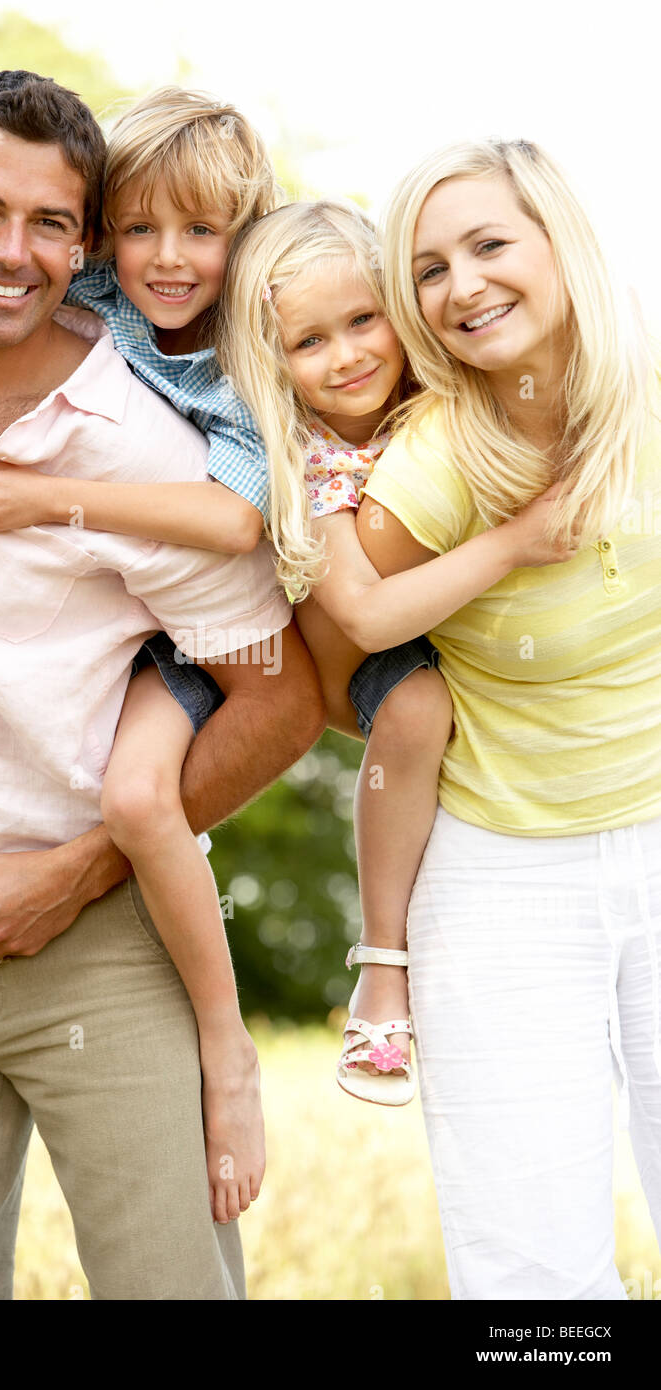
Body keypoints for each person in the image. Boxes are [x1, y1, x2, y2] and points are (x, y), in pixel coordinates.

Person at [0, 69, 325, 1300]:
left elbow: (281, 696)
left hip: (98, 941)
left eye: (50, 224)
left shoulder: (140, 437)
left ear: (79, 247)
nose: (11, 251)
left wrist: (87, 863)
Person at [358, 137, 661, 1297]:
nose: (461, 285)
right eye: (427, 269)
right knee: (529, 1265)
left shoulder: (644, 393)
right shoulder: (436, 459)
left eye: (488, 245)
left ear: (558, 244)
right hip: (500, 880)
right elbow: (343, 652)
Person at [216, 198, 578, 1102]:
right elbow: (368, 619)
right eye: (309, 343)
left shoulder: (448, 397)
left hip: (481, 654)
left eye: (362, 320)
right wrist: (513, 543)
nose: (347, 357)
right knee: (418, 710)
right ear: (274, 363)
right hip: (357, 659)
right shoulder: (305, 458)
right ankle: (382, 969)